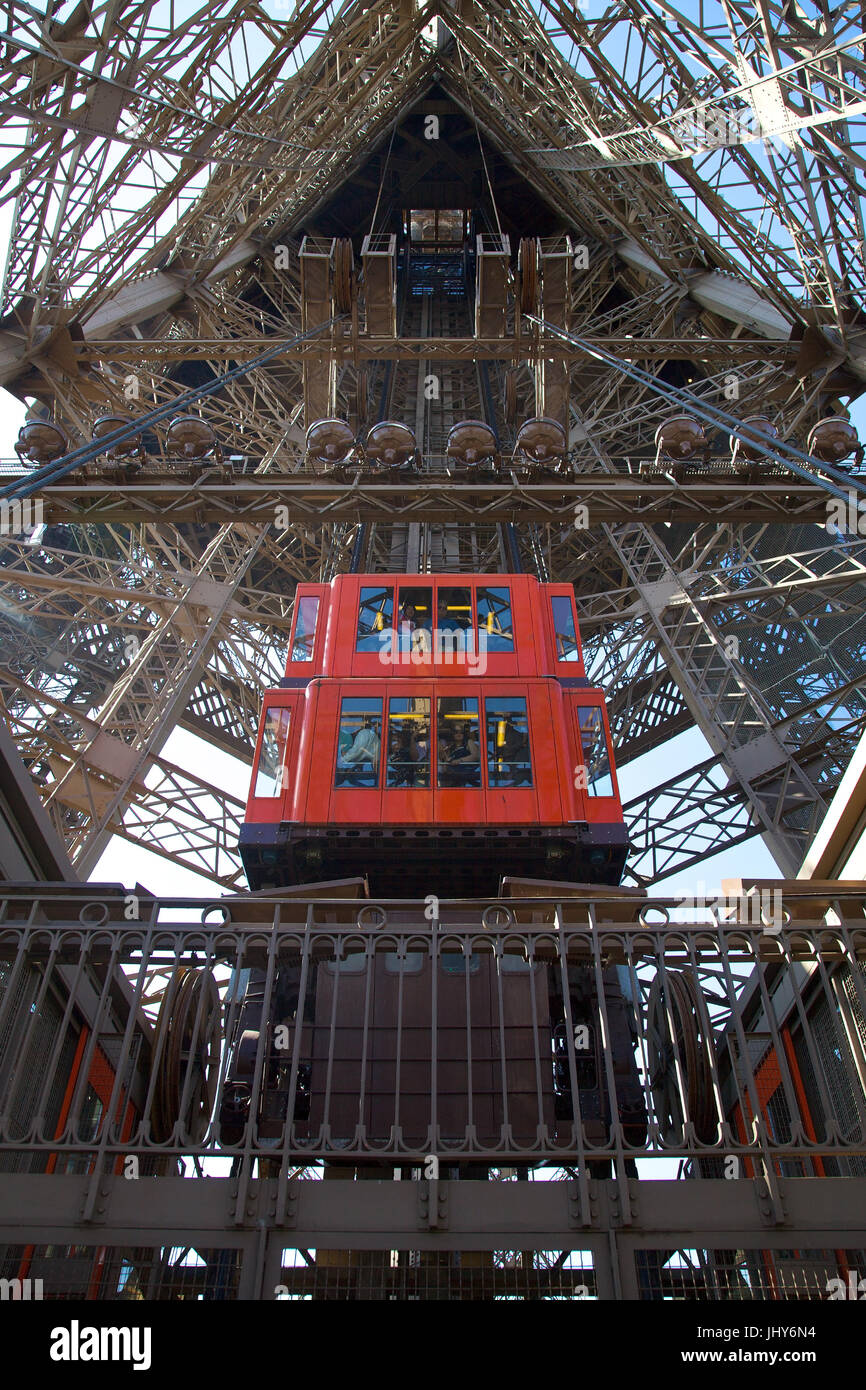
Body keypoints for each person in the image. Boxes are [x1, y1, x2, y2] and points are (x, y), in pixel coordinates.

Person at [337, 718, 380, 784]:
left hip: (374, 759)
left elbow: (356, 750)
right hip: (372, 758)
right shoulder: (368, 734)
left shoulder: (363, 734)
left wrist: (342, 760)